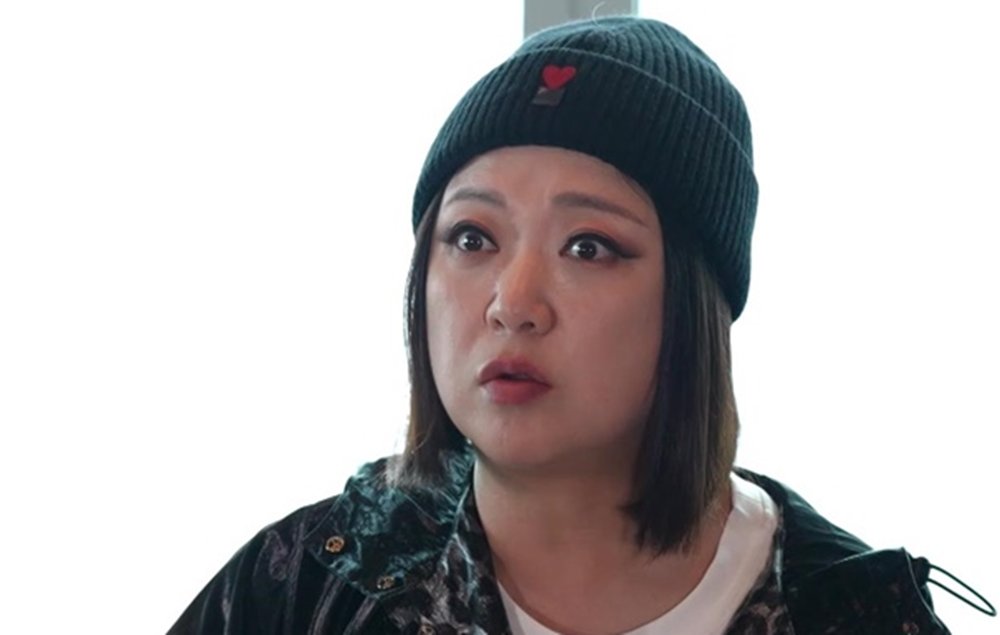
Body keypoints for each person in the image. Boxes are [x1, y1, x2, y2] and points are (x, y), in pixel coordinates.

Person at [169, 16, 994, 635]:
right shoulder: (309, 584)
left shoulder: (847, 612)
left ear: (694, 304)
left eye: (589, 246)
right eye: (472, 238)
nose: (513, 301)